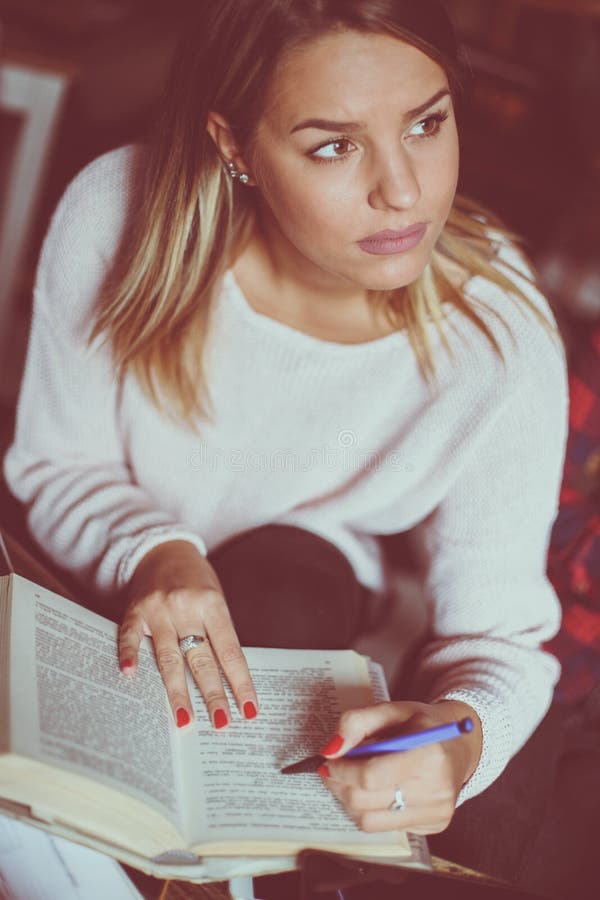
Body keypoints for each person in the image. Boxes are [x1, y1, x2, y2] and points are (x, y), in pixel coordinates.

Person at [3, 0, 568, 865]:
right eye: (334, 145)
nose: (403, 190)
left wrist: (461, 742)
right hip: (95, 595)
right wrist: (156, 552)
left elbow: (500, 638)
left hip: (311, 629)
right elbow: (55, 463)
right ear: (234, 148)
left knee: (291, 593)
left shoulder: (498, 337)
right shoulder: (118, 209)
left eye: (426, 123)